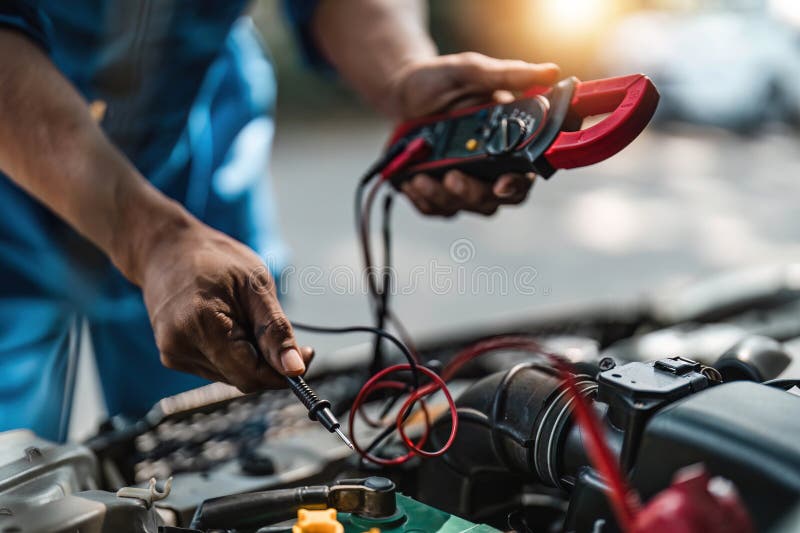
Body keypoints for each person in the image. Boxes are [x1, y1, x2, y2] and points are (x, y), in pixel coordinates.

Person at [0, 0, 559, 441]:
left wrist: (401, 72)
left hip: (195, 152)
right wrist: (152, 237)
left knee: (208, 454)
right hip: (12, 186)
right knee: (14, 473)